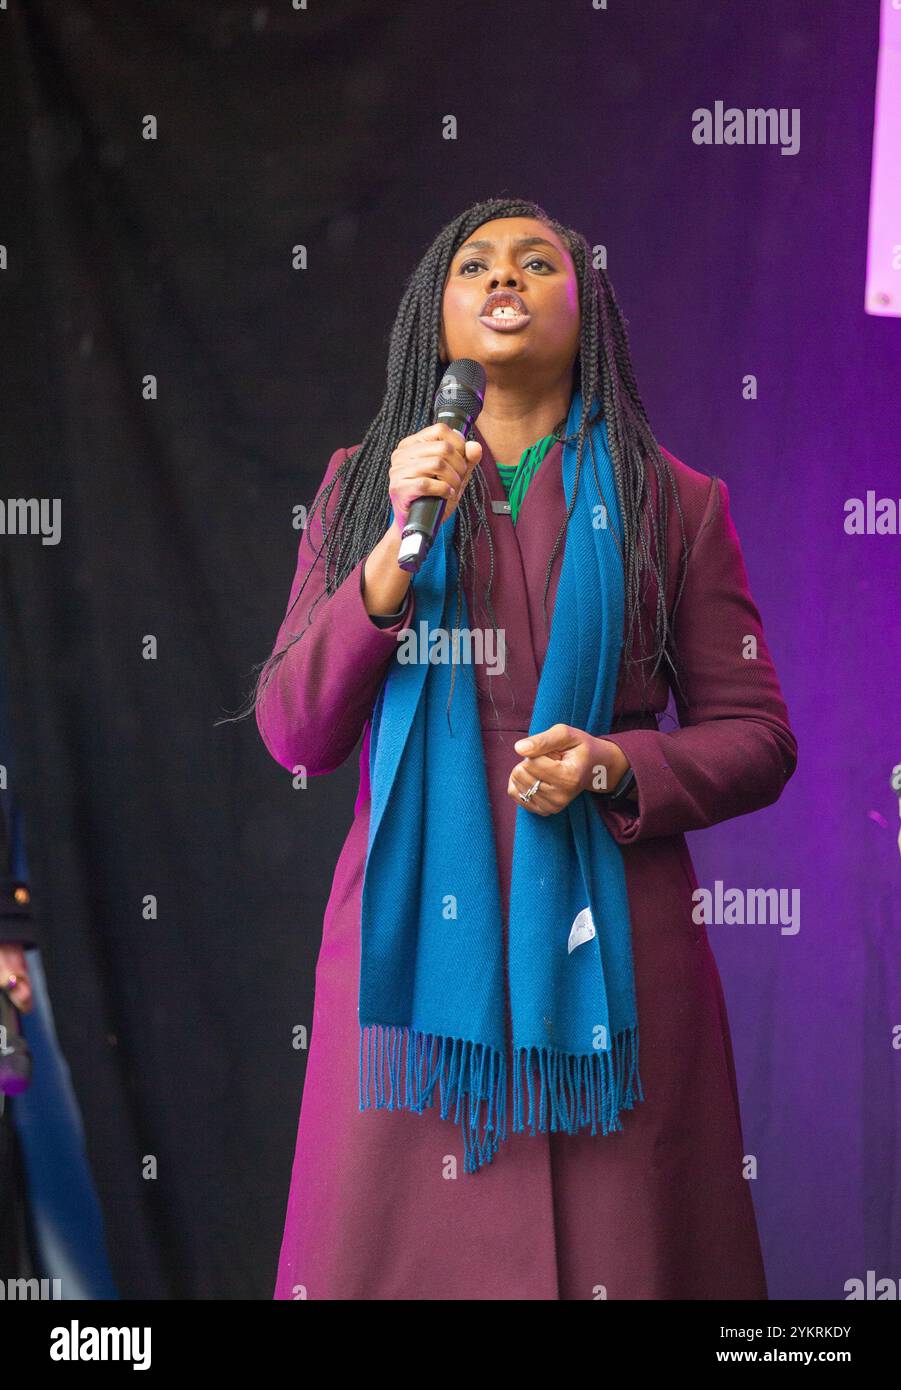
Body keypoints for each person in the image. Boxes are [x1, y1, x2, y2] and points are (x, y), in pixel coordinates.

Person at [251, 196, 797, 1300]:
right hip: (407, 966)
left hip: (614, 963)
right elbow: (294, 730)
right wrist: (387, 566)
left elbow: (759, 736)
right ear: (433, 317)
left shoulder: (673, 502)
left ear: (583, 304)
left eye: (536, 262)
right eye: (475, 265)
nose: (504, 278)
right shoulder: (365, 488)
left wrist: (618, 765)